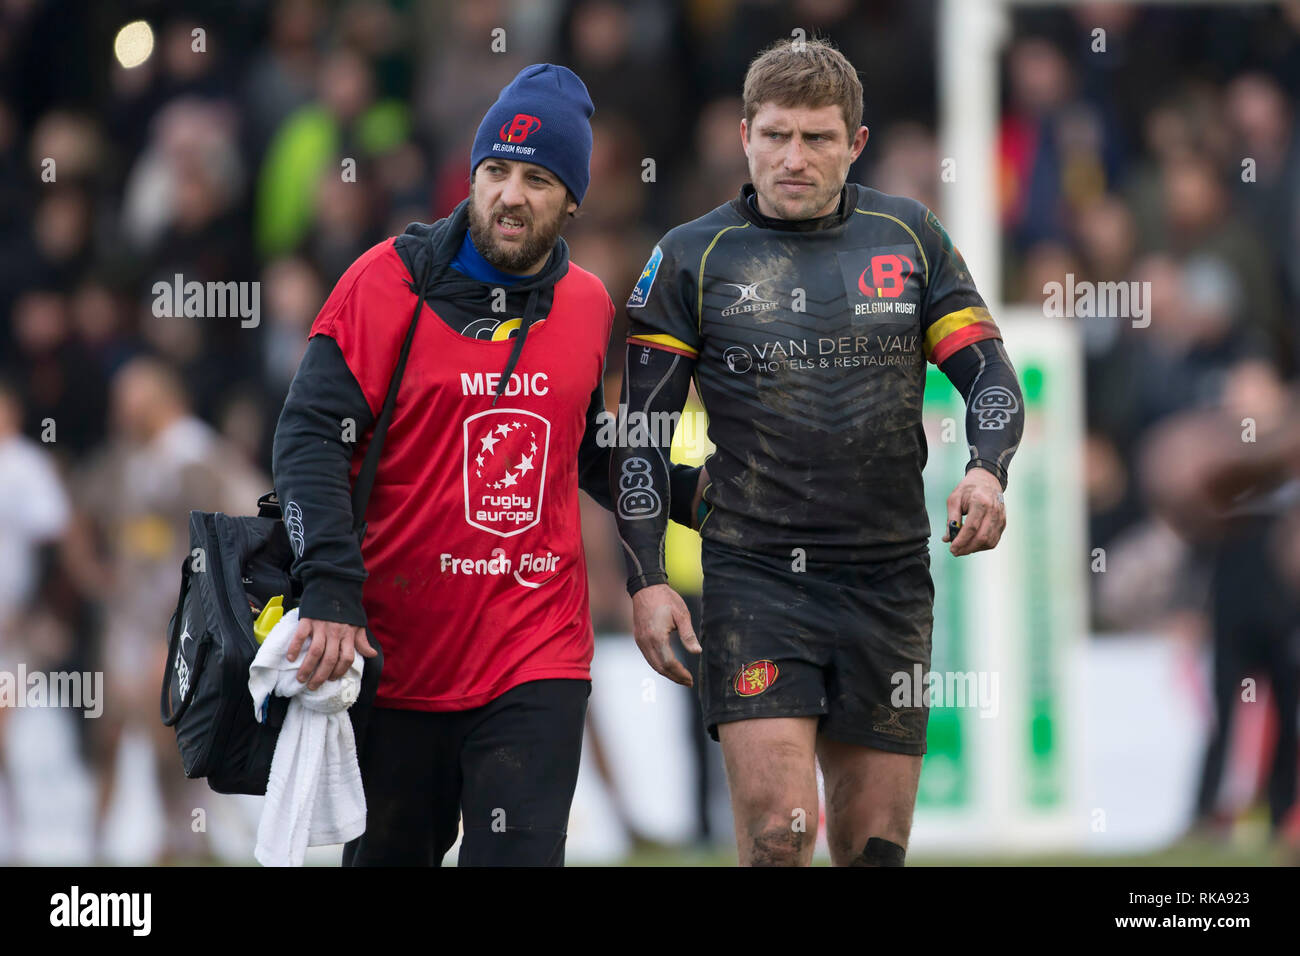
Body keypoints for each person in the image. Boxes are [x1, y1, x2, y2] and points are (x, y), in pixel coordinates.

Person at [272, 64, 701, 867]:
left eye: (538, 178)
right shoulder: (384, 283)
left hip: (535, 651)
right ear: (470, 178)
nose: (511, 194)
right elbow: (306, 442)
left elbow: (581, 449)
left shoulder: (587, 304)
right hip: (395, 655)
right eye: (495, 171)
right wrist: (330, 586)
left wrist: (693, 497)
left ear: (573, 198)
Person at [610, 39, 1025, 866]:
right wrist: (649, 579)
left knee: (876, 849)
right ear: (743, 136)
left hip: (889, 578)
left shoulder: (910, 237)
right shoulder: (689, 259)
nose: (793, 158)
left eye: (817, 138)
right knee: (778, 837)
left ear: (856, 144)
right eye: (774, 135)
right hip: (755, 576)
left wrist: (987, 467)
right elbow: (641, 437)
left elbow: (991, 377)